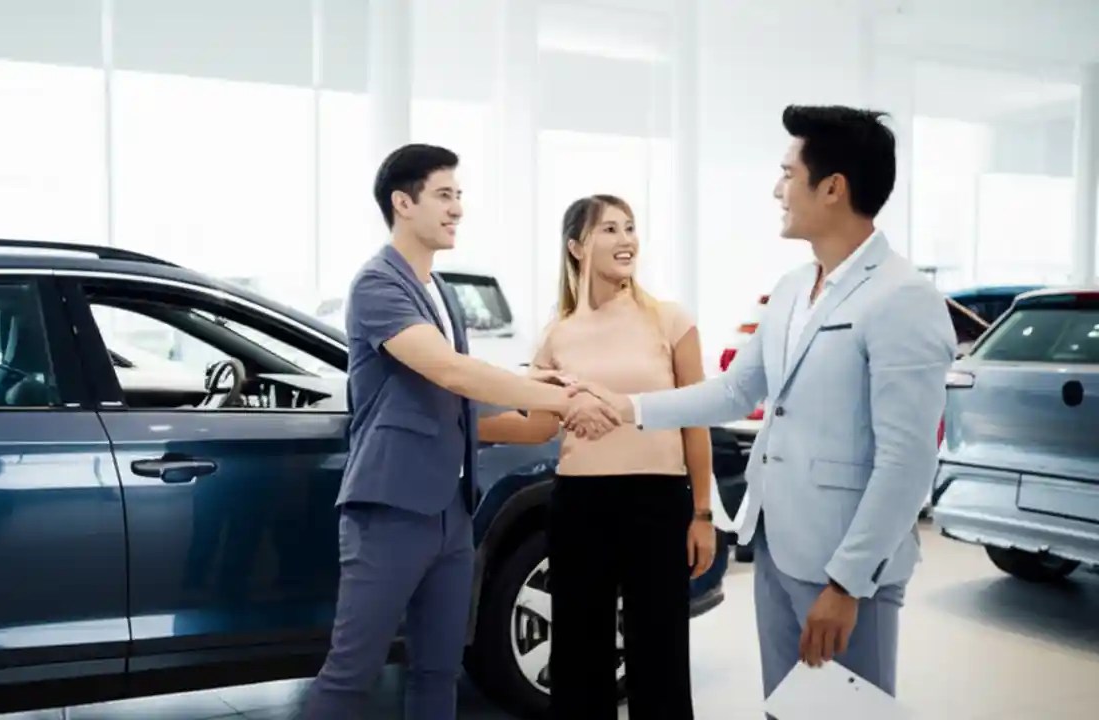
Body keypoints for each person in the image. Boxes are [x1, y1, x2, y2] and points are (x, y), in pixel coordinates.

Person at [567, 106, 957, 708]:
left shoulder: (903, 297)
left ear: (832, 188)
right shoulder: (795, 286)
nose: (777, 189)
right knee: (789, 707)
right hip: (776, 544)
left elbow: (908, 463)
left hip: (844, 564)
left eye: (786, 173)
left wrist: (847, 582)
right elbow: (734, 391)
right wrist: (625, 407)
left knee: (849, 711)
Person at [300, 143, 620, 720]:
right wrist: (553, 396)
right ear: (403, 202)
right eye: (444, 195)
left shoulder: (442, 292)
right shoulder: (377, 284)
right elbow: (448, 370)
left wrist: (544, 395)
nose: (458, 209)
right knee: (351, 674)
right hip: (389, 509)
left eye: (459, 195)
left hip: (451, 511)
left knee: (438, 671)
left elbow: (454, 405)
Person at [479, 194, 716, 719]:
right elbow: (539, 424)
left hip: (657, 500)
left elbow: (694, 418)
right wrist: (462, 425)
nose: (626, 239)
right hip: (580, 502)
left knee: (660, 652)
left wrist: (702, 513)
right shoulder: (557, 335)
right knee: (580, 652)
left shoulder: (670, 321)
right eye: (610, 229)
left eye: (630, 227)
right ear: (577, 247)